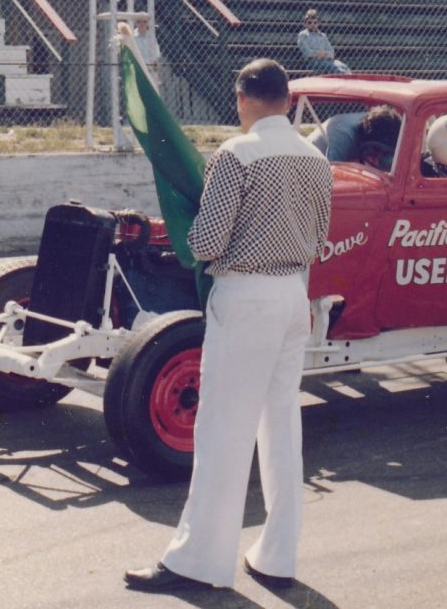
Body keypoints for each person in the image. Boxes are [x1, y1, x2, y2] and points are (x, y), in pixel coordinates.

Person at [124, 59, 332, 594]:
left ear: (242, 98)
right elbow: (322, 235)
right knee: (282, 428)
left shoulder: (236, 155)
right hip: (293, 295)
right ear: (287, 100)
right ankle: (277, 556)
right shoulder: (314, 158)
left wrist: (187, 236)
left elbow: (207, 243)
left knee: (221, 431)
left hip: (245, 298)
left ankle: (200, 561)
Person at [307, 104, 401, 170]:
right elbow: (330, 178)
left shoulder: (388, 127)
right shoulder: (342, 137)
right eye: (375, 151)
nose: (377, 160)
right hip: (311, 165)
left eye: (384, 153)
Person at [297, 9, 351, 74]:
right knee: (336, 68)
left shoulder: (322, 36)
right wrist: (319, 54)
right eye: (309, 22)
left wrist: (324, 54)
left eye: (315, 22)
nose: (312, 24)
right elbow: (307, 53)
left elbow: (331, 51)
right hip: (312, 62)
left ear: (318, 23)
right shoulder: (303, 35)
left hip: (327, 60)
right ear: (305, 23)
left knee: (344, 67)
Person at [134, 15, 162, 87]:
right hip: (137, 70)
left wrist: (157, 76)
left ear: (147, 24)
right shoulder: (132, 37)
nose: (142, 24)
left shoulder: (152, 37)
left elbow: (156, 56)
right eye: (139, 22)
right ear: (135, 23)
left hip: (150, 70)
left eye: (144, 22)